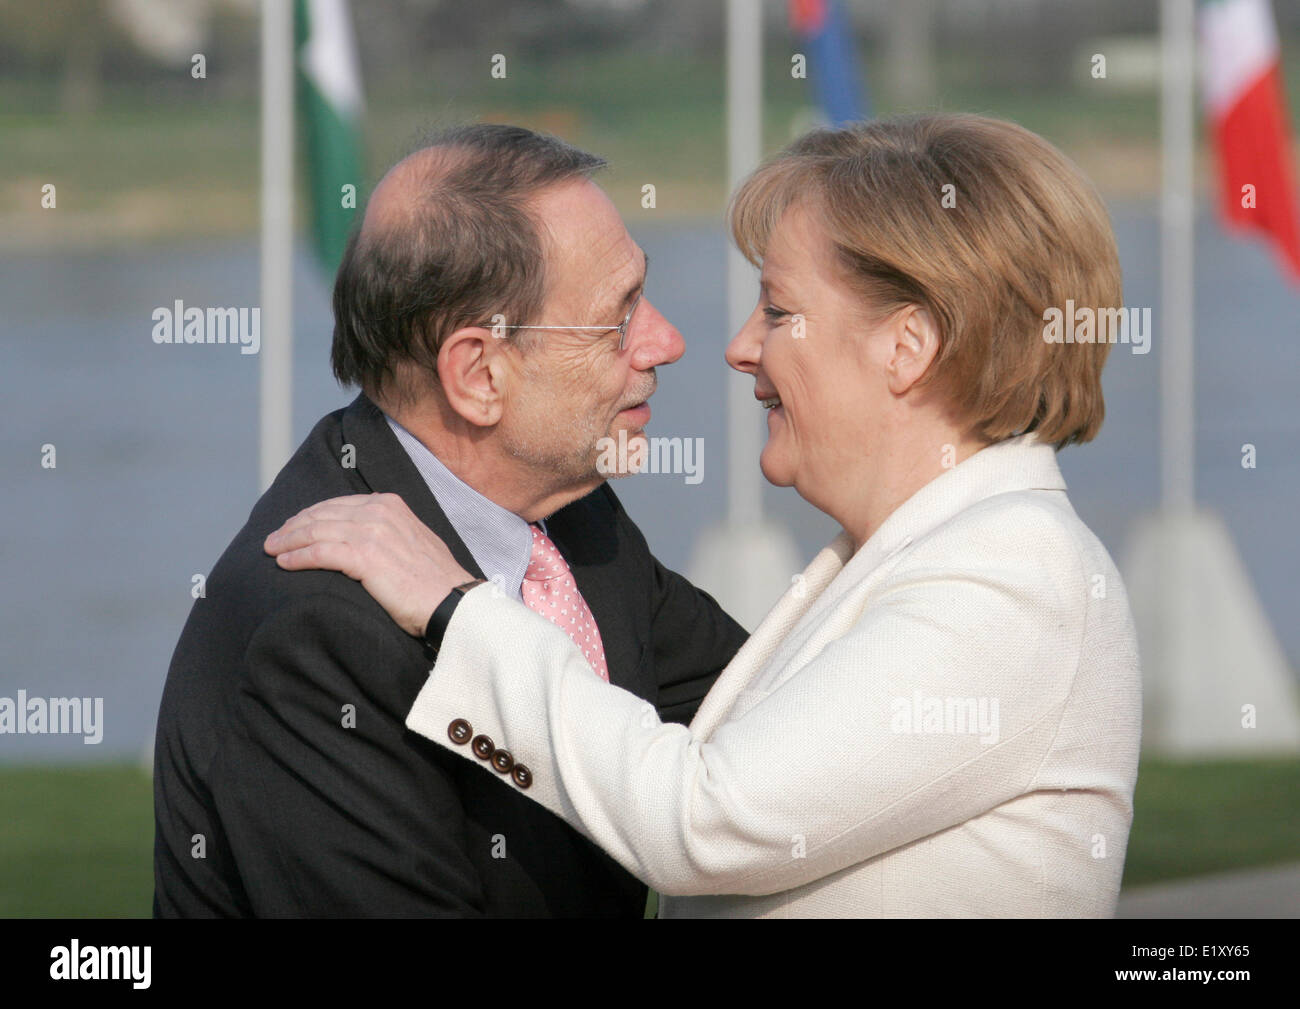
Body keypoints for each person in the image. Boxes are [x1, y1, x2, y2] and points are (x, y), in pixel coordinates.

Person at [267, 113, 1144, 918]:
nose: (737, 347)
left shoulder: (1012, 573)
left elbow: (702, 818)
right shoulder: (921, 556)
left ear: (906, 346)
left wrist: (459, 610)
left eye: (779, 311)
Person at [152, 124, 748, 917]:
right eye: (619, 317)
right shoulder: (318, 634)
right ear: (478, 375)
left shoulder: (566, 511)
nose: (666, 342)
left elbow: (760, 721)